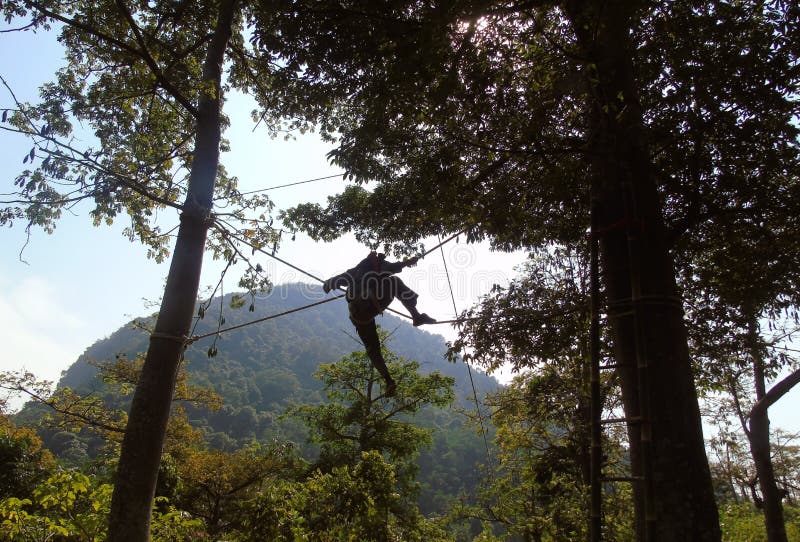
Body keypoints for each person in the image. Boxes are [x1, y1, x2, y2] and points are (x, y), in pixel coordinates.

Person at [323, 251, 436, 396]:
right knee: (394, 282)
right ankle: (416, 316)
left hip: (359, 316)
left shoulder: (353, 272)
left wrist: (329, 284)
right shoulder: (377, 268)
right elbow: (395, 266)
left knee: (373, 349)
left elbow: (331, 283)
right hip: (368, 305)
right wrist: (407, 263)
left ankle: (389, 381)